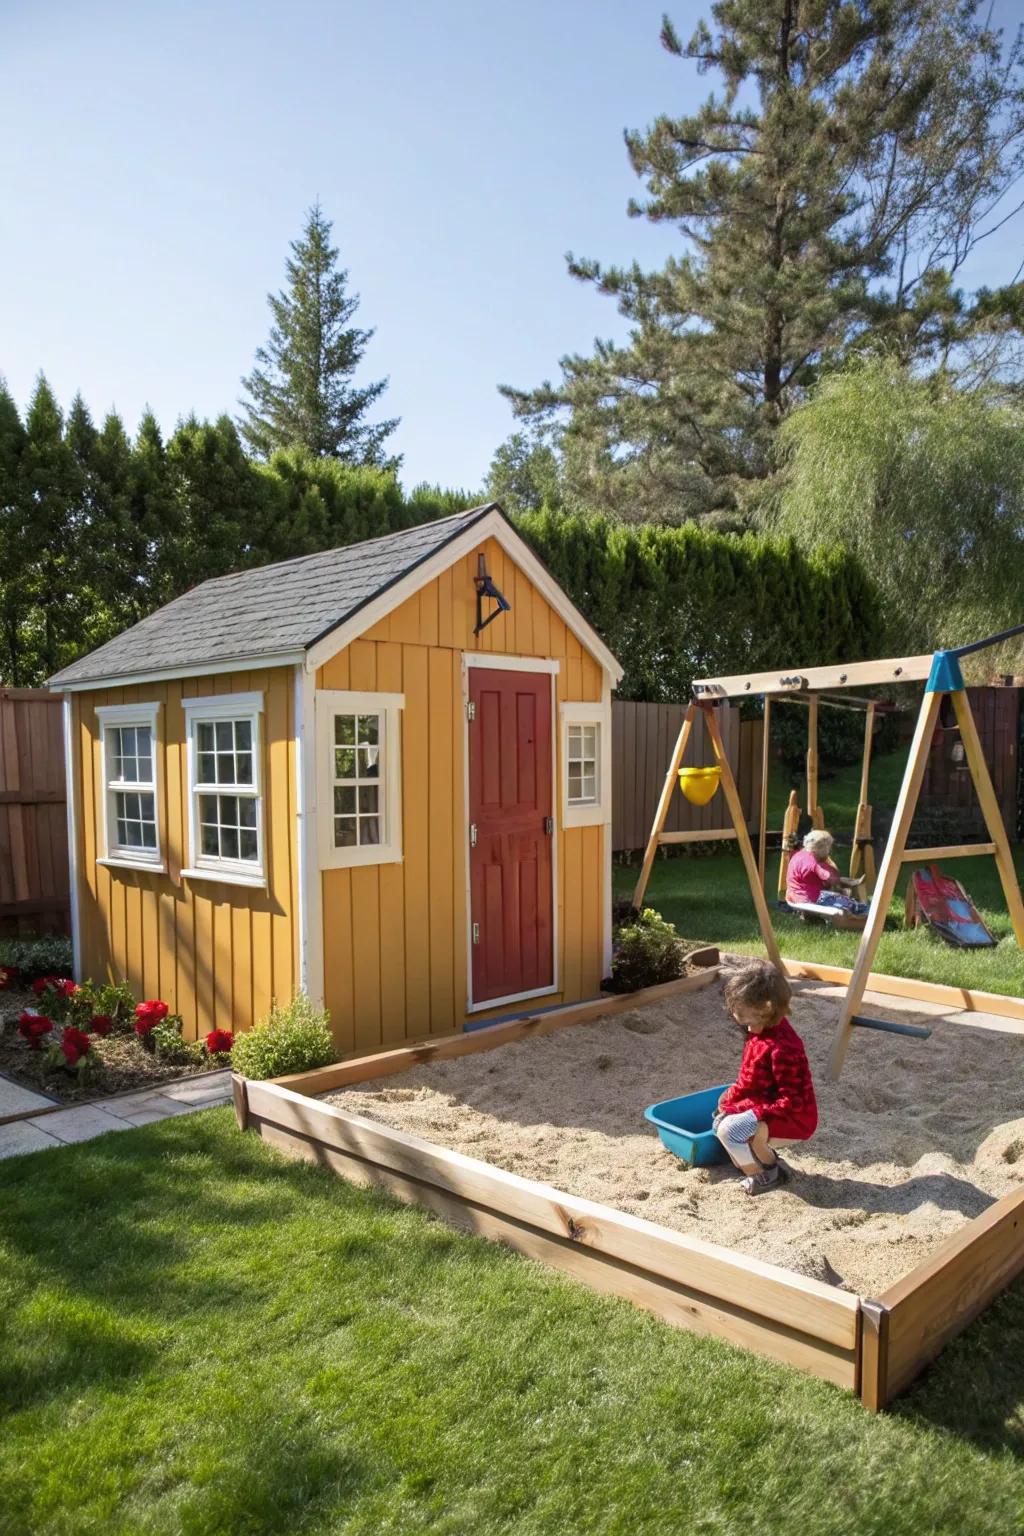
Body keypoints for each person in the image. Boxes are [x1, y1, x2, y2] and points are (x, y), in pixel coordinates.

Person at [713, 962, 818, 1195]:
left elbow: (791, 1101)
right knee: (719, 1120)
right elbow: (750, 1078)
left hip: (794, 1117)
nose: (746, 1028)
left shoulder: (782, 1049)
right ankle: (769, 1164)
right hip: (768, 1103)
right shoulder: (760, 1033)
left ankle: (762, 1175)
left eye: (749, 1022)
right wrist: (732, 1099)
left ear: (766, 1009)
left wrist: (753, 1113)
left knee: (729, 1132)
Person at [786, 829, 868, 916]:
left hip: (794, 896)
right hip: (808, 899)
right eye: (829, 847)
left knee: (834, 894)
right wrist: (847, 882)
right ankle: (868, 912)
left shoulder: (799, 855)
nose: (829, 851)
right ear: (821, 848)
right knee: (846, 902)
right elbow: (830, 879)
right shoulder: (812, 863)